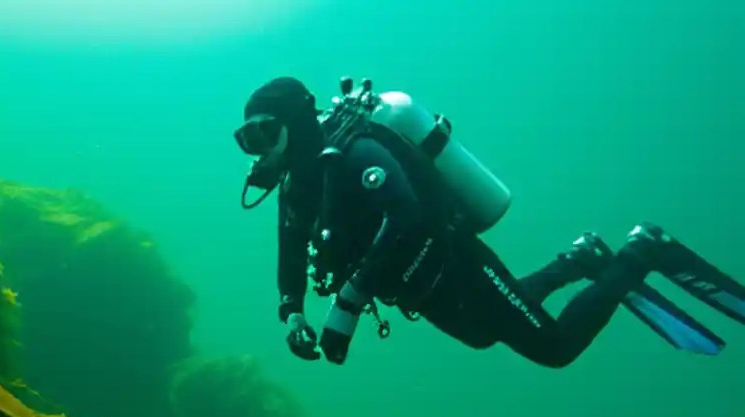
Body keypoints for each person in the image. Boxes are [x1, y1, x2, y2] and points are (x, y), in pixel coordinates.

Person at [234, 76, 745, 367]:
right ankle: (579, 260)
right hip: (421, 290)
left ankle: (641, 251)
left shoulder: (354, 153)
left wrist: (351, 298)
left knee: (553, 347)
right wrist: (293, 313)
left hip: (458, 265)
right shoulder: (299, 186)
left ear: (296, 122)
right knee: (484, 335)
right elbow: (290, 248)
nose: (258, 149)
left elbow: (407, 213)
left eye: (265, 132)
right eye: (248, 139)